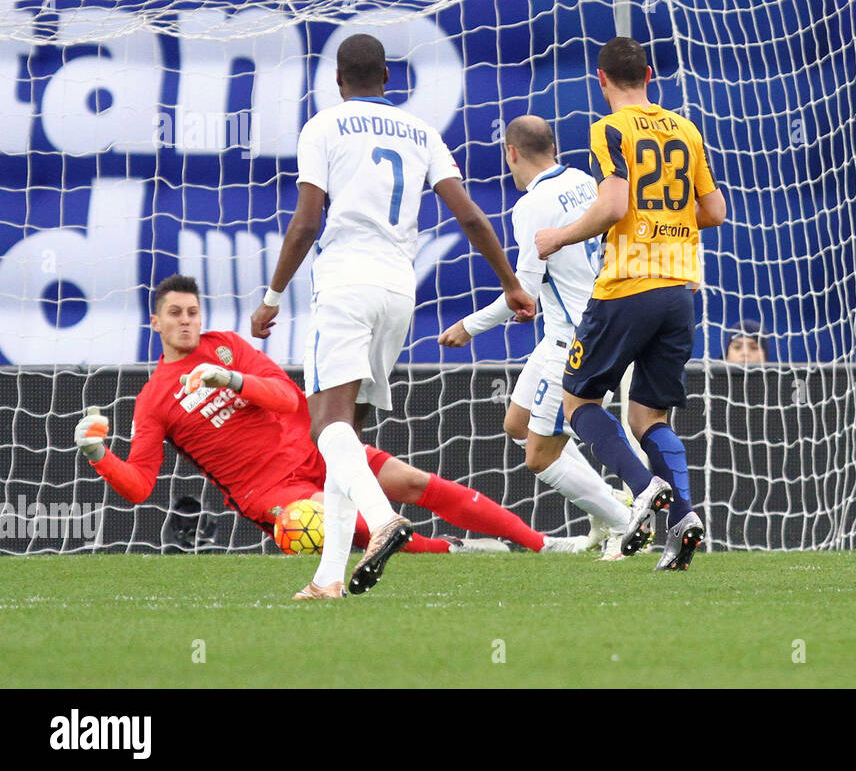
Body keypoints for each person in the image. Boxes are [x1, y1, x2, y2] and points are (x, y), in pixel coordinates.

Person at [248, 33, 537, 598]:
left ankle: (382, 521)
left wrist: (273, 297)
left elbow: (306, 223)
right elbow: (471, 217)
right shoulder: (421, 131)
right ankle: (329, 577)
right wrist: (511, 284)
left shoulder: (323, 126)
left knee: (325, 425)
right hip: (399, 288)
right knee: (347, 436)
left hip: (346, 280)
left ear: (337, 80)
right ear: (387, 78)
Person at [73, 276, 581, 582]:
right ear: (155, 323)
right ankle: (457, 551)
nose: (186, 321)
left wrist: (231, 379)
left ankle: (540, 544)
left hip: (311, 450)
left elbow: (288, 398)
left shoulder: (224, 347)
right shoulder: (153, 399)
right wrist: (99, 455)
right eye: (175, 314)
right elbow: (139, 487)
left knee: (413, 482)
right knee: (342, 524)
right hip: (269, 492)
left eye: (192, 312)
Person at [535, 36, 727, 571]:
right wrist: (667, 222)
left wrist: (560, 237)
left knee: (578, 403)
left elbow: (614, 204)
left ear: (601, 80)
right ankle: (683, 518)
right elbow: (714, 210)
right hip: (678, 291)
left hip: (625, 286)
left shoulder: (609, 129)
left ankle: (644, 489)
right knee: (648, 415)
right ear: (649, 75)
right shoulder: (686, 129)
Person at [437, 115, 634, 559]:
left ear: (511, 152)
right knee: (517, 426)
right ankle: (607, 510)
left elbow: (520, 295)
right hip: (574, 327)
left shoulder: (531, 206)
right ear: (553, 147)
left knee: (540, 457)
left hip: (578, 339)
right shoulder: (583, 180)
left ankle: (627, 524)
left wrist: (468, 327)